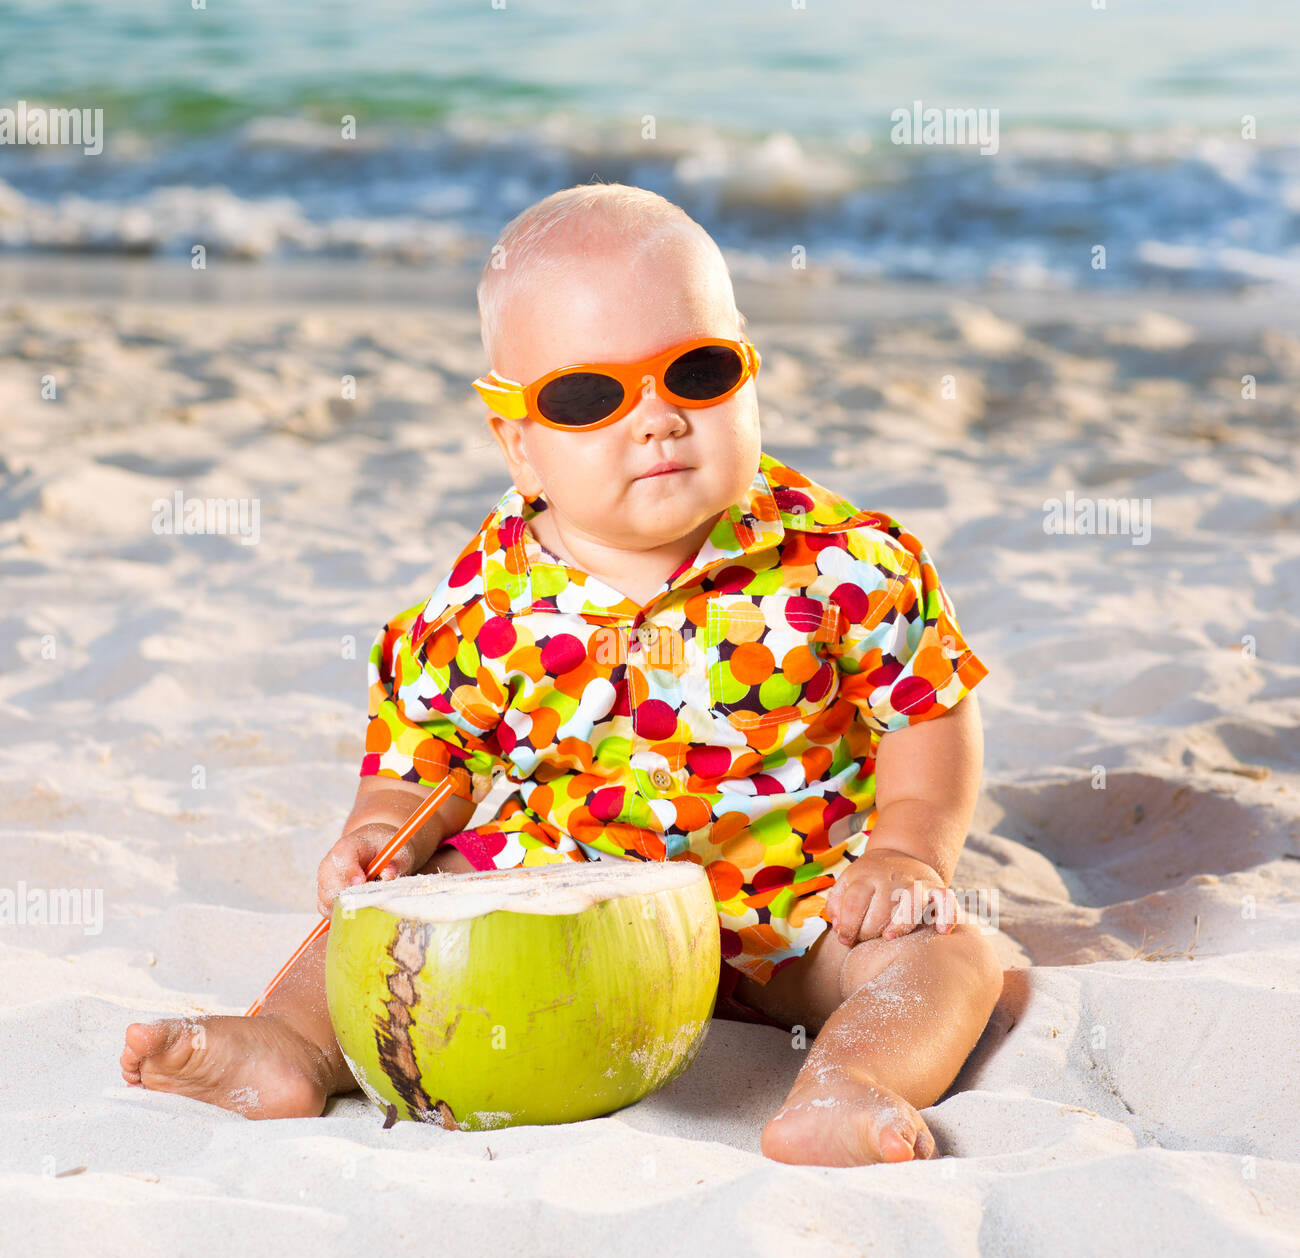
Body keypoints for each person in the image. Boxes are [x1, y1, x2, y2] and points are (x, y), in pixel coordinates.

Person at [122, 183, 1003, 1166]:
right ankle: (289, 1044)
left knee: (949, 954)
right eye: (591, 396)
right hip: (564, 901)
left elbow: (927, 706)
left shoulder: (842, 562)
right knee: (403, 907)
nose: (659, 419)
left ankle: (851, 1080)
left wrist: (908, 852)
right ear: (517, 441)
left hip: (793, 905)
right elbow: (430, 748)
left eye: (698, 371)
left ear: (748, 367)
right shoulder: (490, 595)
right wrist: (384, 823)